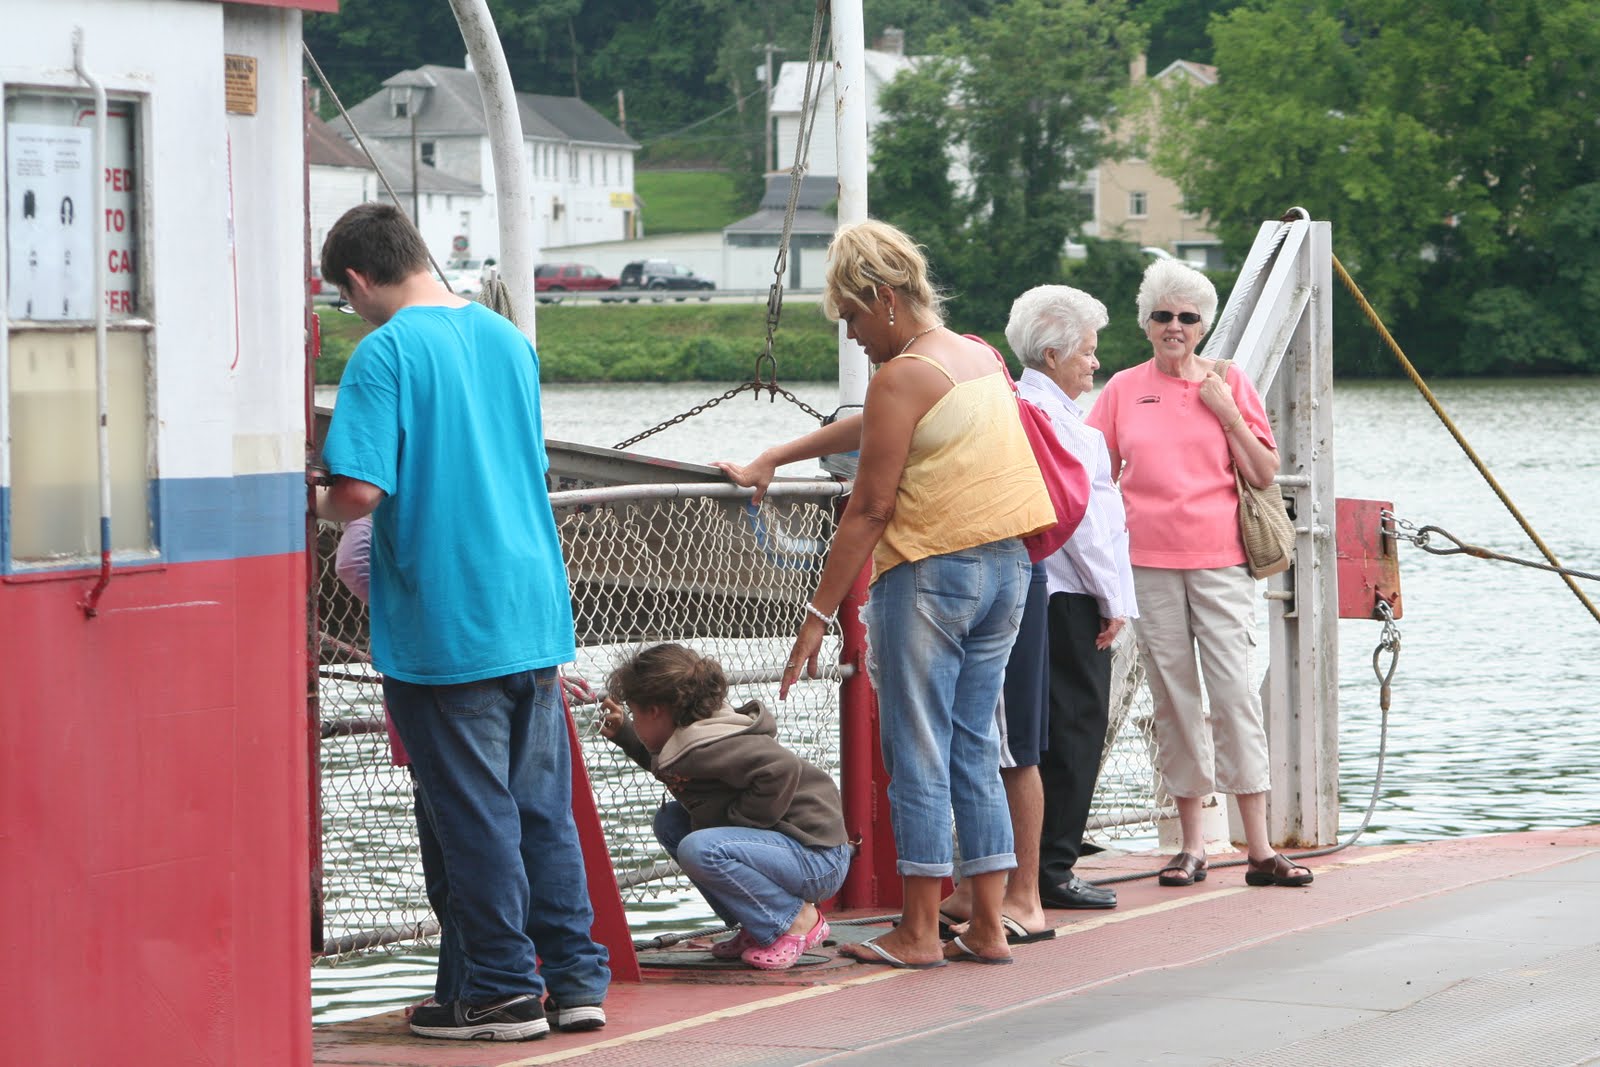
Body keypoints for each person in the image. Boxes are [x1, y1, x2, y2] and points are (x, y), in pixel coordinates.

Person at [715, 219, 1055, 968]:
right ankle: (990, 924)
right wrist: (778, 452)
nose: (854, 335)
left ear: (886, 298)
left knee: (918, 750)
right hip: (1008, 571)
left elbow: (868, 508)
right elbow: (882, 425)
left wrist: (814, 616)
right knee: (974, 745)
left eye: (853, 316)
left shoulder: (901, 373)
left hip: (934, 573)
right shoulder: (975, 357)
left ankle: (920, 929)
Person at [316, 202, 610, 1042]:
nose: (353, 311)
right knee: (539, 809)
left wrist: (303, 495)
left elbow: (360, 494)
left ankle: (501, 990)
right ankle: (575, 978)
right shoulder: (509, 341)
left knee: (472, 811)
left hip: (448, 619)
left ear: (359, 280)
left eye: (345, 299)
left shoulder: (384, 353)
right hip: (532, 606)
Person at [1087, 258, 1313, 890]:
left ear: (1205, 324)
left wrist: (1226, 410)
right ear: (1146, 322)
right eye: (1163, 316)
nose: (1175, 327)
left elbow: (1265, 472)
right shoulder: (1122, 390)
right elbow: (1092, 478)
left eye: (1188, 317)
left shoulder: (1229, 382)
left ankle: (1261, 848)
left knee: (1233, 696)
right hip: (1148, 567)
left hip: (1221, 562)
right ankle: (1192, 846)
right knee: (1175, 703)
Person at [598, 643, 852, 971]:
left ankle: (795, 920)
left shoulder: (712, 745)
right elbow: (677, 771)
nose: (634, 719)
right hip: (794, 852)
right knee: (671, 822)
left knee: (700, 847)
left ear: (657, 711)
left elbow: (781, 770)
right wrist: (627, 735)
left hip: (818, 858)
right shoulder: (693, 736)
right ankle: (757, 923)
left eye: (635, 713)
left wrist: (737, 824)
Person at [1005, 285, 1138, 910]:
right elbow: (1082, 520)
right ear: (1054, 354)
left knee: (1039, 731)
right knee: (1076, 729)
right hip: (1071, 594)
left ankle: (1031, 865)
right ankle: (1053, 867)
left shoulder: (1020, 406)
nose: (1095, 363)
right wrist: (1114, 599)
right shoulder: (1061, 424)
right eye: (1087, 351)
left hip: (1036, 591)